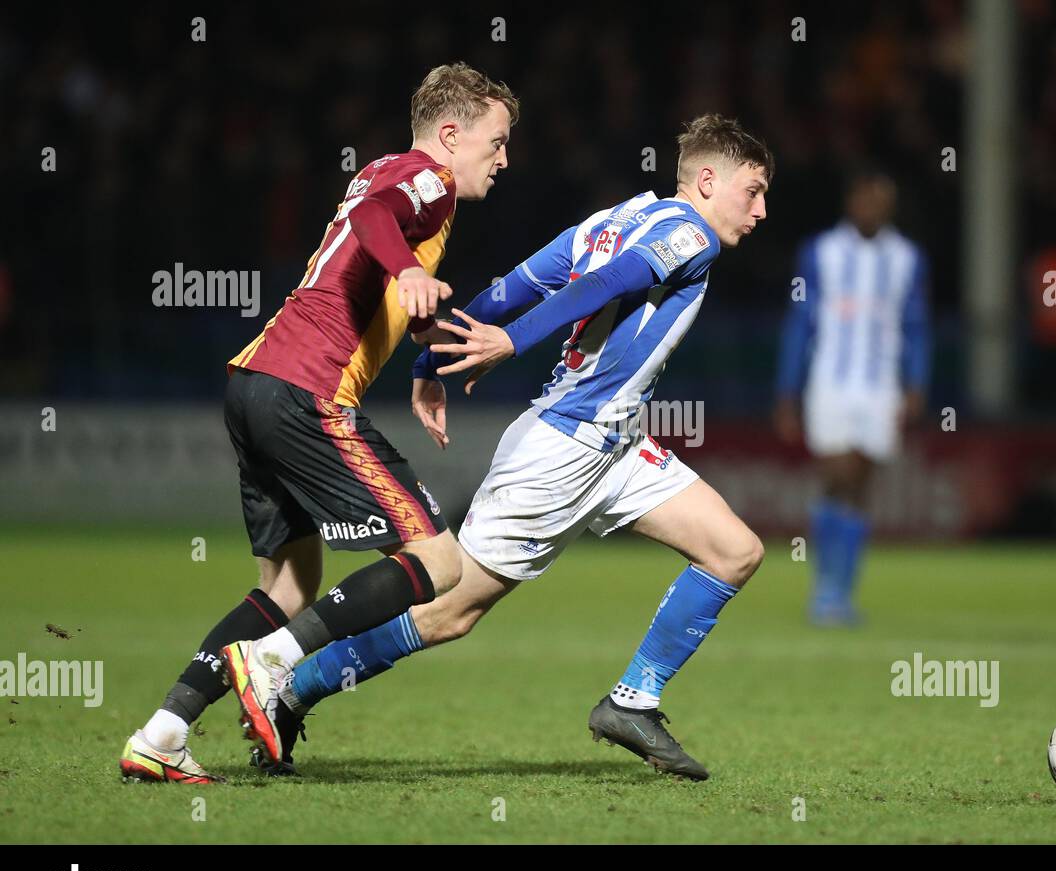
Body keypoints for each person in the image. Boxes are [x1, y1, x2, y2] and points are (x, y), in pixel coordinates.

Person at [234, 115, 773, 782]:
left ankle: (632, 701)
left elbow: (514, 286)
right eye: (752, 191)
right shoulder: (691, 234)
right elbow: (604, 286)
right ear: (708, 180)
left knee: (734, 551)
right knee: (447, 613)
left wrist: (430, 369)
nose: (761, 210)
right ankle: (292, 682)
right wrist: (511, 344)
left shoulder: (613, 218)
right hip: (563, 450)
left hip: (615, 446)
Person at [119, 63, 518, 783]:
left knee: (290, 587)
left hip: (254, 382)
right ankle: (272, 661)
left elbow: (369, 255)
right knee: (439, 561)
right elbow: (374, 231)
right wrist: (406, 275)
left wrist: (425, 353)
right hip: (307, 391)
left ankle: (163, 731)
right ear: (450, 134)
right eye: (496, 141)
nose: (504, 158)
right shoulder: (426, 180)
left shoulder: (383, 172)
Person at [773, 165, 931, 626]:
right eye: (867, 199)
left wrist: (917, 383)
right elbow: (800, 321)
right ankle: (825, 589)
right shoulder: (820, 252)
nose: (873, 209)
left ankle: (842, 591)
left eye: (882, 202)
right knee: (837, 474)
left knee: (861, 484)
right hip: (831, 381)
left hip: (881, 385)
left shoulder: (907, 257)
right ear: (851, 202)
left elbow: (916, 324)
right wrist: (788, 390)